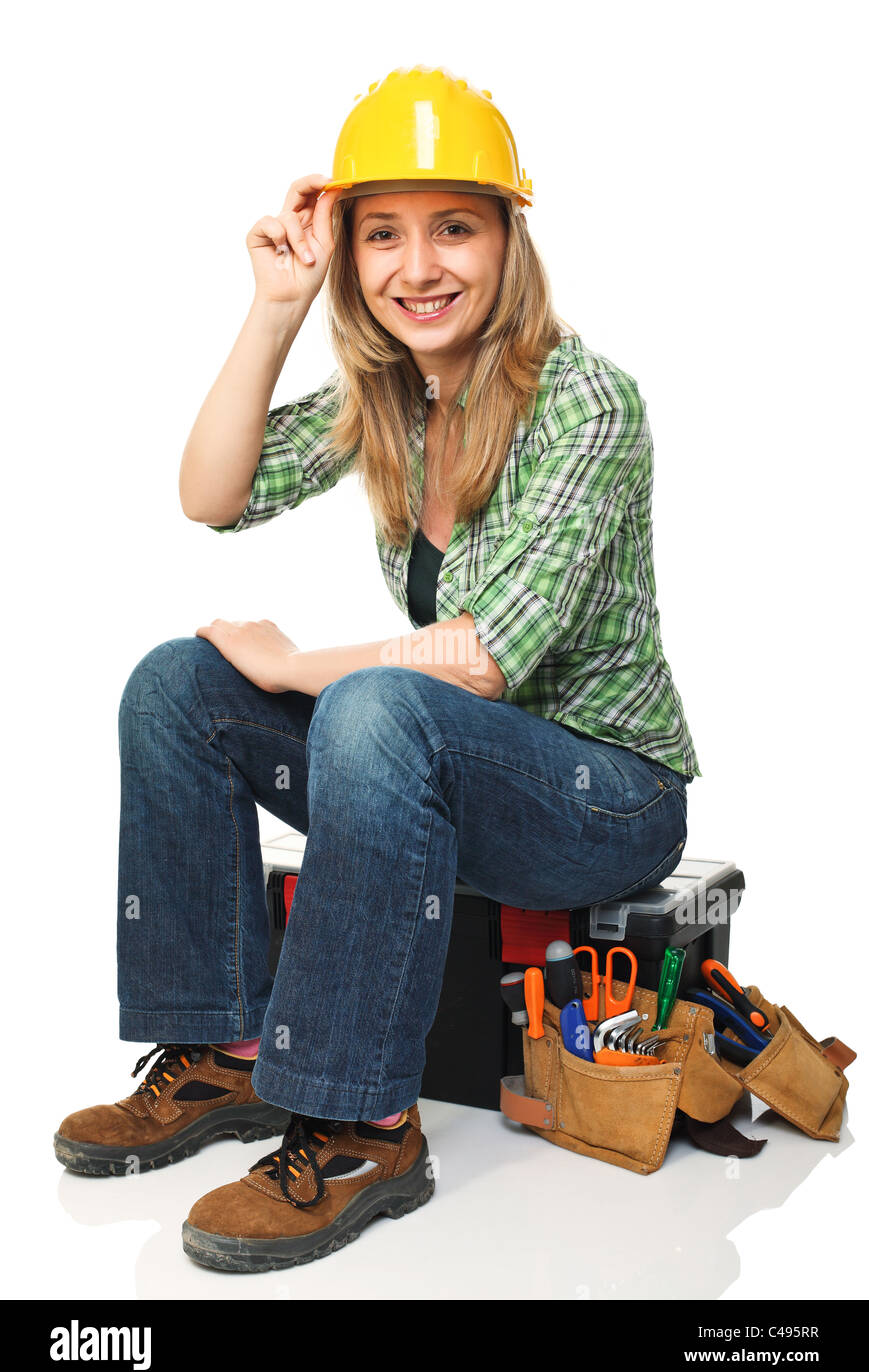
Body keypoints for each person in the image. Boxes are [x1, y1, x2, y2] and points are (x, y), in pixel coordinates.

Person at [54, 66, 700, 1273]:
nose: (419, 266)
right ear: (348, 253)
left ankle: (362, 1124)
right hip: (450, 770)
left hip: (605, 804)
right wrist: (275, 307)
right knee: (175, 689)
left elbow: (483, 658)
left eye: (453, 227)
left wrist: (299, 666)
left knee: (372, 705)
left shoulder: (589, 402)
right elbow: (211, 495)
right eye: (381, 234)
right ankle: (225, 1055)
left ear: (510, 237)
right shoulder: (396, 398)